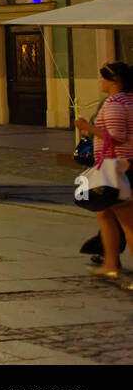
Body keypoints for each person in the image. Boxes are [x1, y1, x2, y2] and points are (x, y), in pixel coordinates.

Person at [75, 61, 133, 283]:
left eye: (102, 78)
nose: (99, 82)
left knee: (127, 221)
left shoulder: (115, 104)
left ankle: (111, 262)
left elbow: (117, 136)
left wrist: (86, 128)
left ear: (114, 80)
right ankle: (109, 262)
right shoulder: (129, 100)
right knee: (105, 214)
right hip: (119, 166)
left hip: (116, 167)